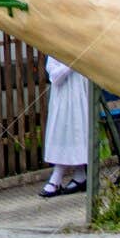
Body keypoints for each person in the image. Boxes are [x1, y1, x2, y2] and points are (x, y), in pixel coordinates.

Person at [40, 56, 90, 197]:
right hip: (62, 100)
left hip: (79, 97)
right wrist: (72, 64)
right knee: (61, 133)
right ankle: (77, 176)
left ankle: (58, 178)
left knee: (77, 133)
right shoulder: (54, 54)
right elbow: (55, 78)